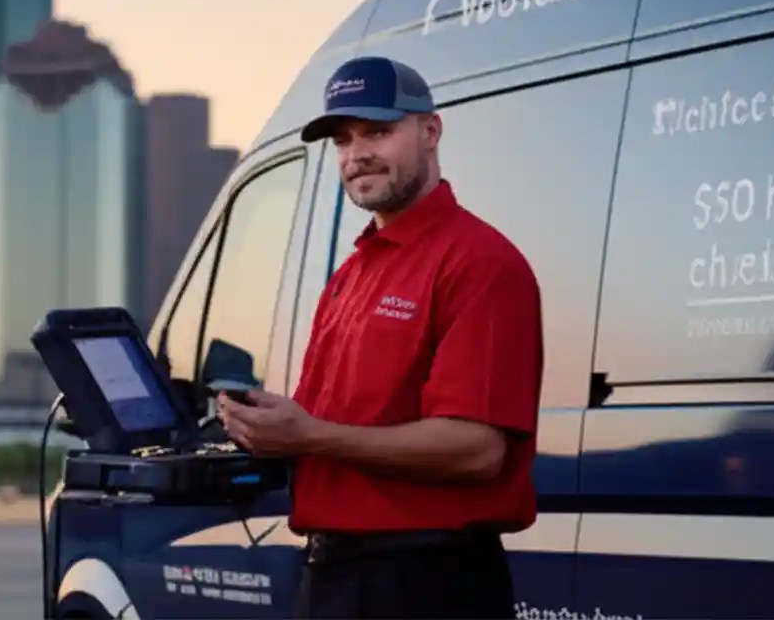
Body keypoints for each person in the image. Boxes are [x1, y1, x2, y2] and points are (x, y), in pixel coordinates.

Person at [217, 55, 545, 619]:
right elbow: (340, 424)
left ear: (430, 130)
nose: (356, 154)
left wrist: (312, 436)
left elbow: (477, 450)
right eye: (343, 140)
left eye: (378, 131)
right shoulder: (354, 272)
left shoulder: (480, 263)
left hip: (426, 582)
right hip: (336, 575)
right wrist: (268, 430)